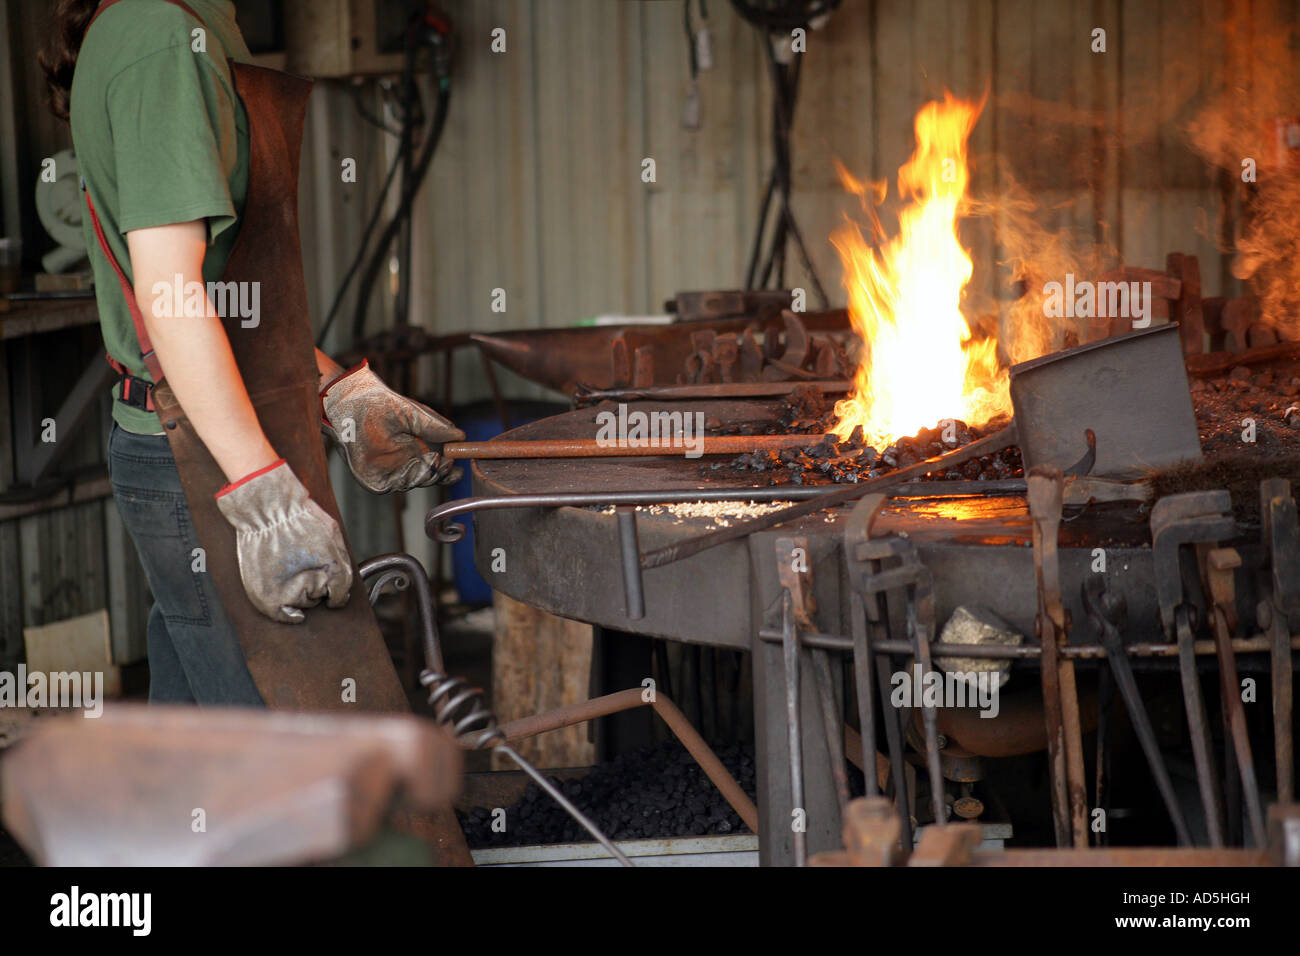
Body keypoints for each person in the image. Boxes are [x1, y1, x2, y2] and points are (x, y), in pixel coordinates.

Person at [40, 0, 462, 707]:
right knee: (279, 737)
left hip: (219, 441)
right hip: (203, 459)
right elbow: (170, 294)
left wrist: (339, 393)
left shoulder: (193, 22)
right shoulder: (157, 36)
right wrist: (268, 505)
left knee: (199, 726)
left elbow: (222, 295)